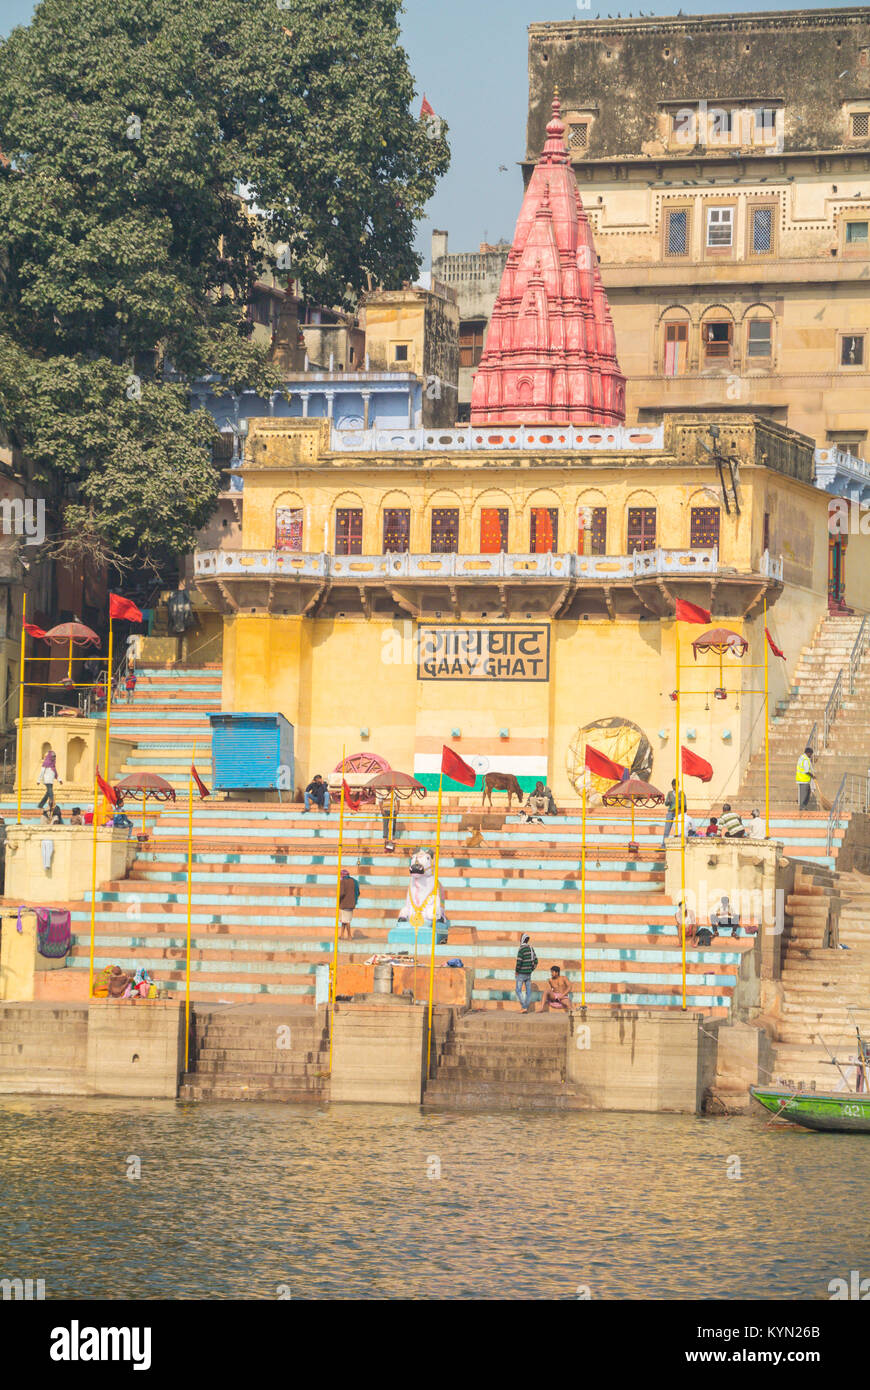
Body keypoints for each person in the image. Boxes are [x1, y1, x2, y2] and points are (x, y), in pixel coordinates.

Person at [515, 933, 537, 1013]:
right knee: (528, 991)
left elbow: (519, 962)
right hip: (529, 973)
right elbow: (536, 960)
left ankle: (524, 1007)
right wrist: (531, 969)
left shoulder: (521, 949)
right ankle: (525, 1008)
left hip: (521, 973)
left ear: (522, 940)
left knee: (518, 990)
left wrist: (516, 971)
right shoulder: (531, 948)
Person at [662, 779, 686, 844]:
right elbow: (666, 803)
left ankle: (679, 844)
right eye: (673, 785)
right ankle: (663, 845)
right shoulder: (670, 793)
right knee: (667, 829)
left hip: (678, 813)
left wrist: (681, 811)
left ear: (678, 785)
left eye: (676, 785)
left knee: (678, 829)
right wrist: (668, 802)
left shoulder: (682, 794)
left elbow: (685, 804)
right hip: (670, 812)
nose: (675, 787)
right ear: (672, 786)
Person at [339, 868, 359, 940]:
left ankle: (349, 936)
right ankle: (341, 935)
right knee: (344, 920)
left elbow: (341, 893)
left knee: (346, 921)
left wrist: (338, 900)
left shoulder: (343, 881)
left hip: (344, 904)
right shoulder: (354, 881)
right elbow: (358, 892)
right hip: (351, 903)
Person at [796, 746, 814, 810]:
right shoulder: (805, 759)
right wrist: (812, 776)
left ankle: (804, 806)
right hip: (803, 779)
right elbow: (806, 771)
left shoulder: (802, 758)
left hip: (803, 779)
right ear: (808, 753)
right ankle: (802, 807)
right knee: (804, 794)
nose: (811, 755)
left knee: (807, 793)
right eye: (811, 754)